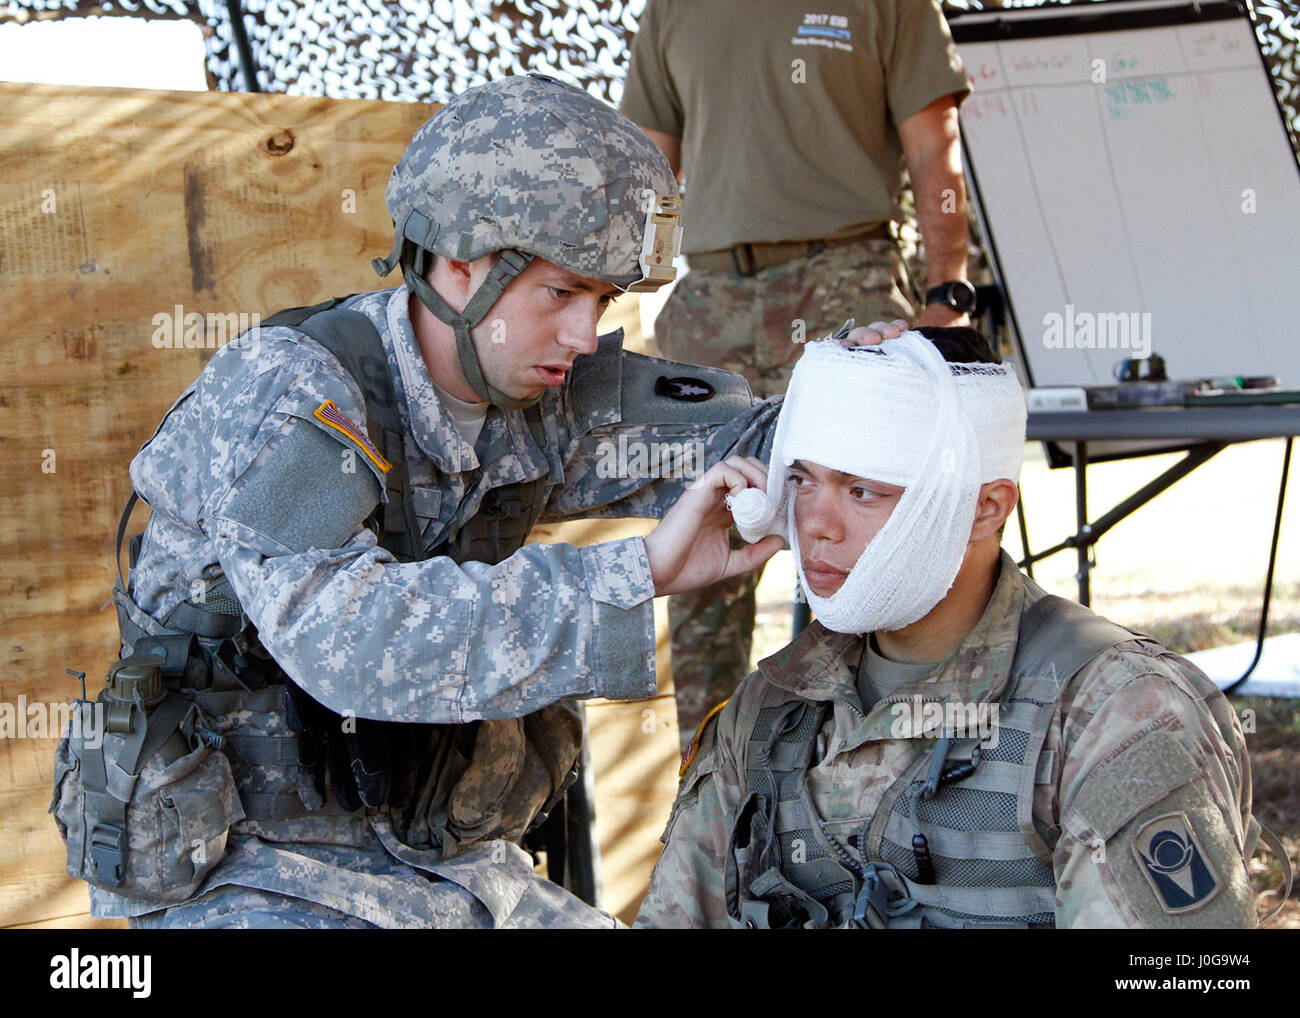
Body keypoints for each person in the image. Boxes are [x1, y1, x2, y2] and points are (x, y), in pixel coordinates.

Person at [51, 75, 790, 929]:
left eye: (603, 300)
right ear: (461, 261)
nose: (585, 336)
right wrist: (637, 574)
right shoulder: (296, 393)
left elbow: (754, 442)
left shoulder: (537, 392)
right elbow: (347, 636)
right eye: (559, 293)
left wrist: (867, 387)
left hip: (446, 866)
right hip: (251, 874)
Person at [635, 326, 1260, 928]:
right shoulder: (773, 703)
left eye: (862, 490)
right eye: (800, 481)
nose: (815, 524)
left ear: (986, 507)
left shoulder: (1116, 710)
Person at [619, 0, 978, 751]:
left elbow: (935, 152)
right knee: (704, 556)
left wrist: (948, 292)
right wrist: (607, 300)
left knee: (857, 541)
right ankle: (712, 796)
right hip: (711, 294)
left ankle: (866, 783)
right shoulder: (672, 11)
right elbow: (646, 178)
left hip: (845, 275)